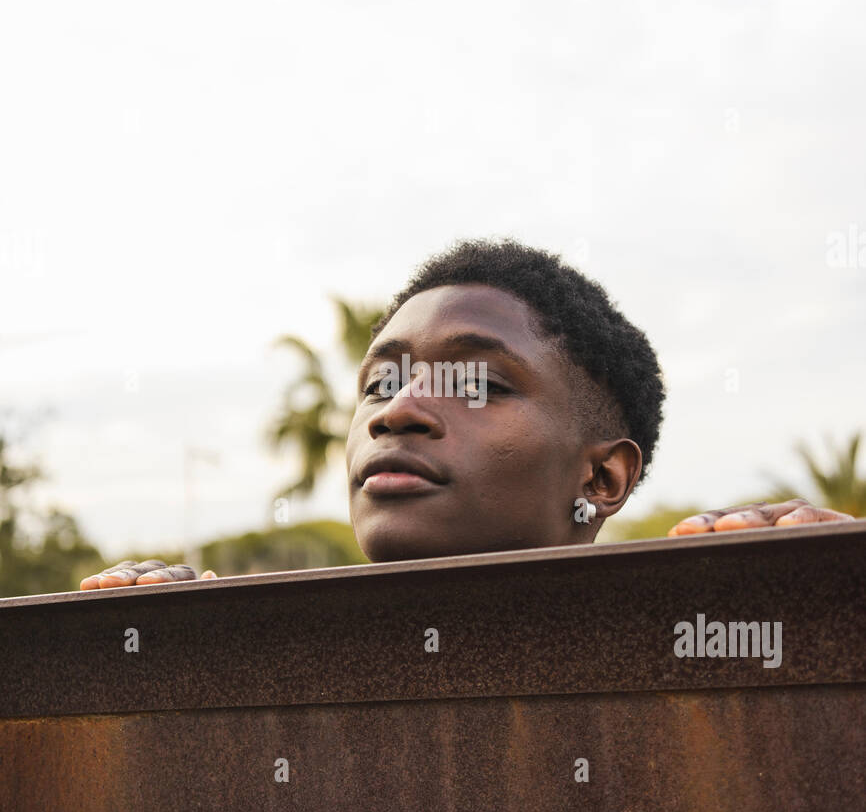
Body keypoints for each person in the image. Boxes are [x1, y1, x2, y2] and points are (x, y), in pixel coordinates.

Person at [80, 238, 854, 589]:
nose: (400, 411)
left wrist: (821, 598)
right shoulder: (244, 671)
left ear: (603, 476)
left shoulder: (720, 645)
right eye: (379, 385)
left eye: (478, 384)